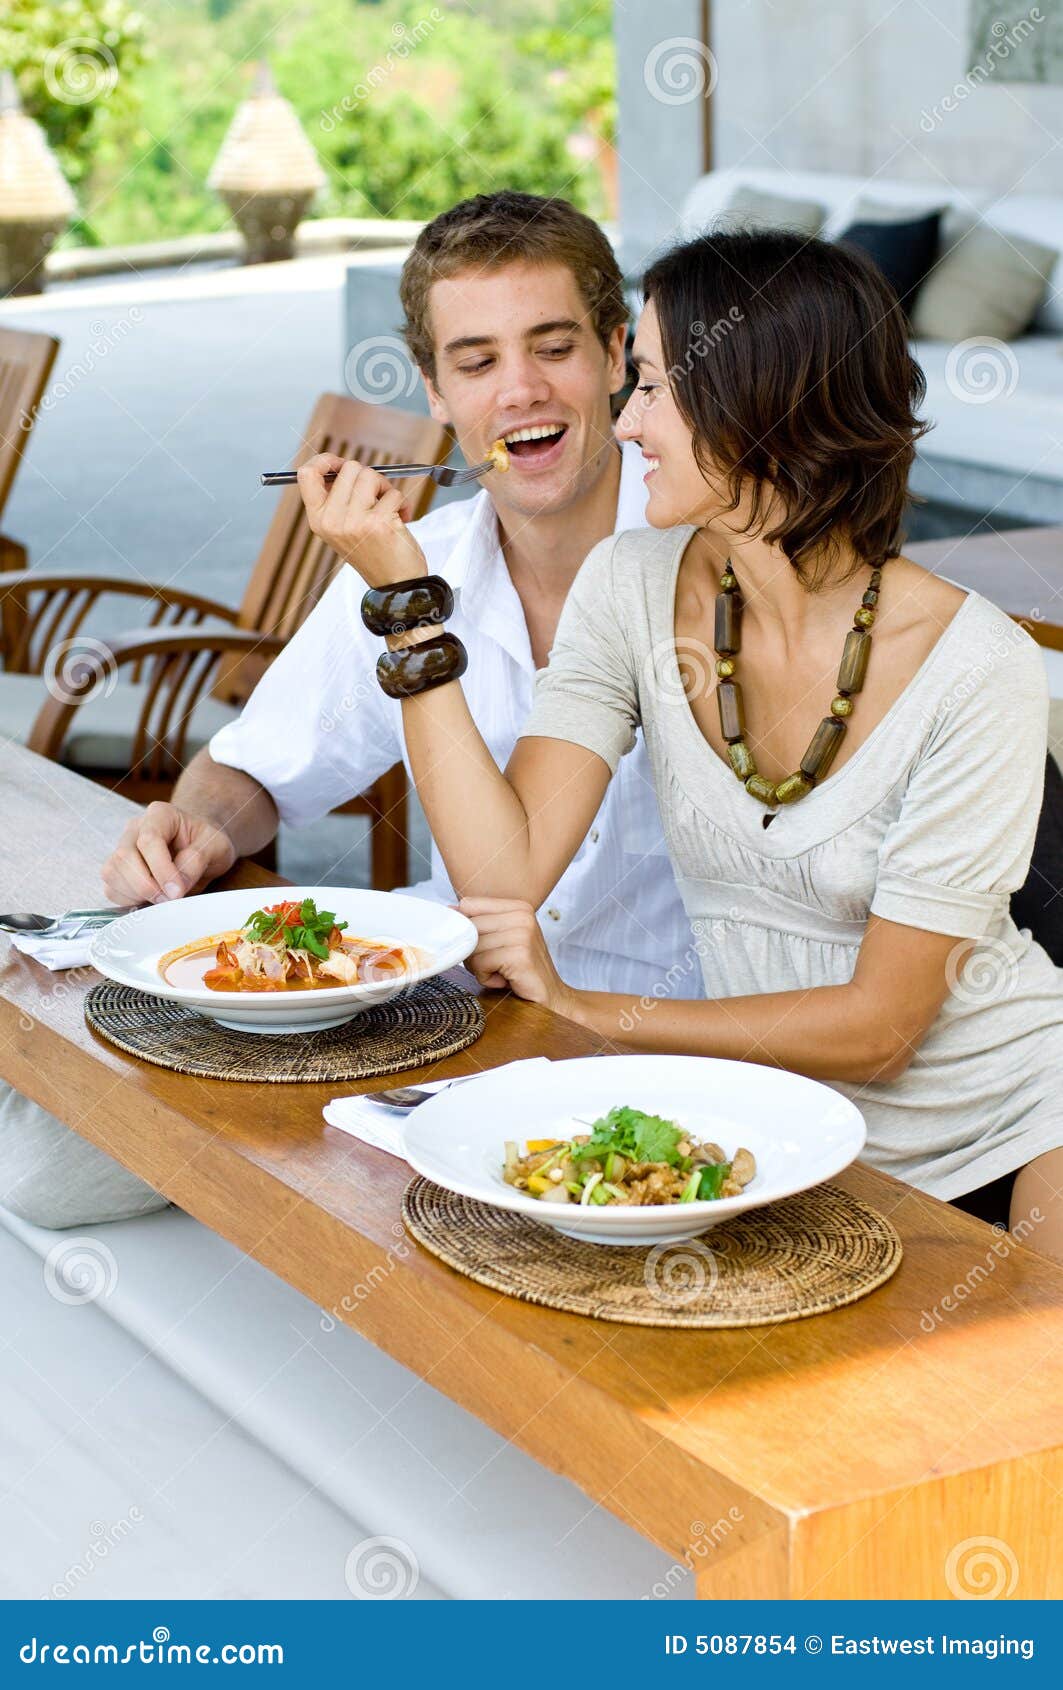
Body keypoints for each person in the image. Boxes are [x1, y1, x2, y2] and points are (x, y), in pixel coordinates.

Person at [308, 227, 1063, 1261]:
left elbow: (881, 1030)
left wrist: (587, 1011)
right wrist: (404, 608)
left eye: (655, 386)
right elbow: (504, 873)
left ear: (762, 400)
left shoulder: (979, 668)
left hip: (1016, 1119)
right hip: (774, 1129)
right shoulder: (631, 584)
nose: (626, 423)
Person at [0, 191, 696, 1231]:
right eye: (475, 363)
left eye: (553, 347)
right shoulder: (428, 556)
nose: (519, 390)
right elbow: (256, 766)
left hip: (659, 1033)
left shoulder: (699, 556)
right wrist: (192, 830)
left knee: (453, 1227)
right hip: (446, 1011)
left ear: (614, 357)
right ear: (433, 387)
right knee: (52, 1170)